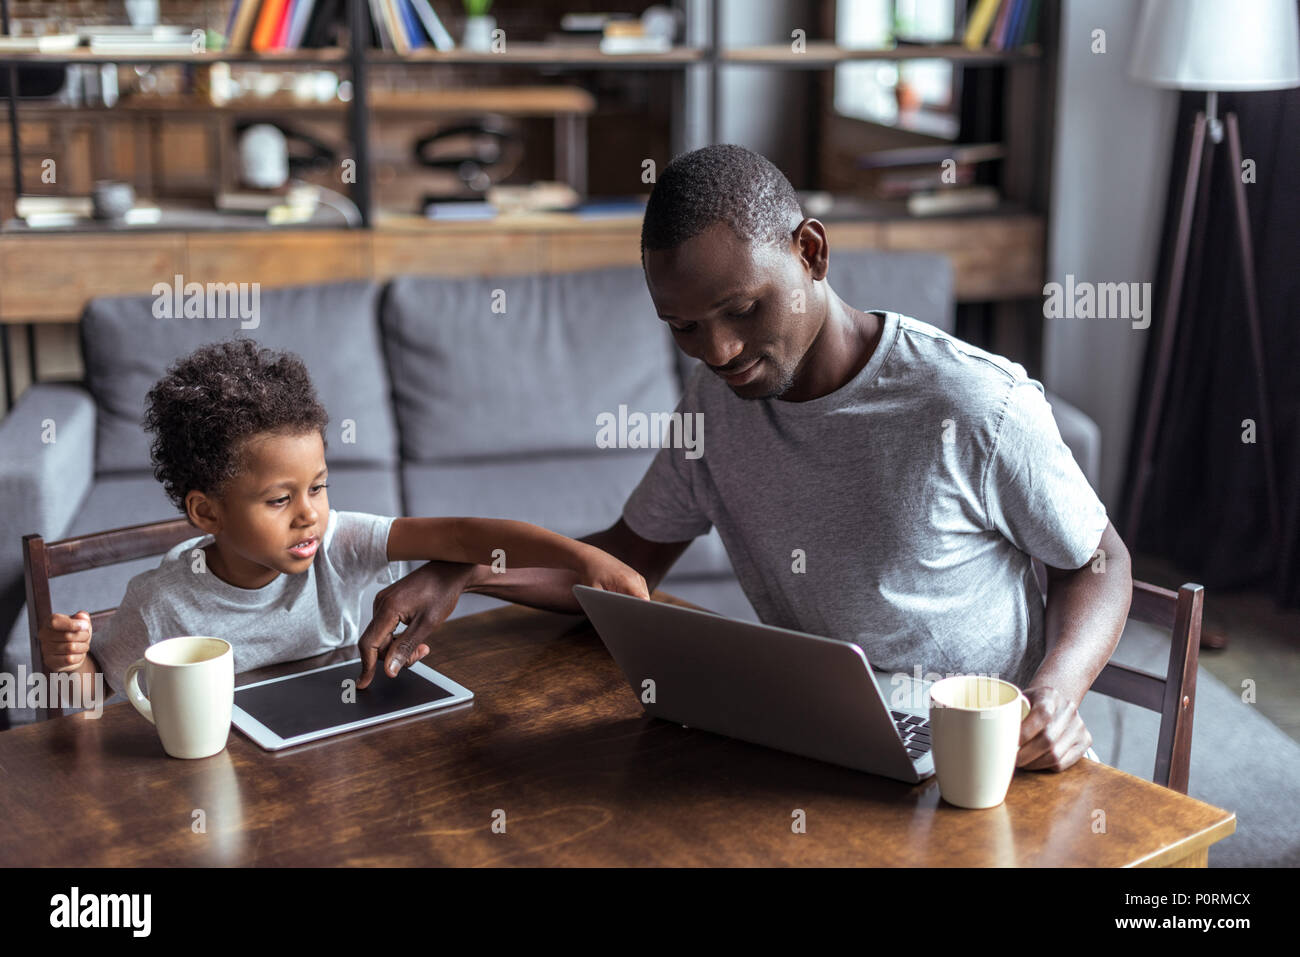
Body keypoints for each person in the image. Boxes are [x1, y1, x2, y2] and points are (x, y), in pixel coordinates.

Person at [351, 144, 1133, 773]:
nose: (720, 350)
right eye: (683, 326)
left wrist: (1055, 693)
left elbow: (1098, 557)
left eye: (743, 309)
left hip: (979, 757)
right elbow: (625, 561)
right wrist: (468, 567)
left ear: (812, 252)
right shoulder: (715, 401)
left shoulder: (968, 404)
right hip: (818, 738)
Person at [37, 339, 648, 700]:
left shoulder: (336, 542)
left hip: (337, 744)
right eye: (279, 500)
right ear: (207, 512)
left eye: (319, 487)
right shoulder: (161, 604)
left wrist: (583, 556)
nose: (309, 514)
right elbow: (106, 693)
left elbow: (463, 536)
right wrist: (72, 665)